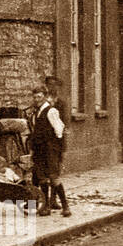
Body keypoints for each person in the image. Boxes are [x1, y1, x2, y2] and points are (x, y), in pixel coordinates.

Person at [28, 85, 69, 216]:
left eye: (39, 97)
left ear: (45, 97)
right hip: (39, 149)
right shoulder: (36, 112)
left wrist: (56, 150)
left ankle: (65, 206)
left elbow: (59, 130)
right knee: (42, 179)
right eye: (34, 97)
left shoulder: (51, 111)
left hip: (50, 150)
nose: (36, 99)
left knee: (53, 177)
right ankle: (46, 207)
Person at [44, 75, 69, 208]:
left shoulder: (61, 104)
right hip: (45, 142)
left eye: (54, 85)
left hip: (56, 143)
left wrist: (63, 146)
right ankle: (46, 200)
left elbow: (65, 124)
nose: (51, 87)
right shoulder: (43, 102)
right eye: (49, 85)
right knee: (44, 172)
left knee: (55, 172)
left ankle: (53, 200)